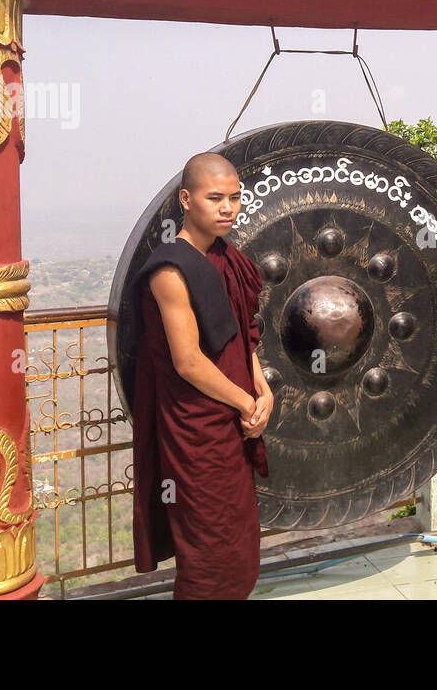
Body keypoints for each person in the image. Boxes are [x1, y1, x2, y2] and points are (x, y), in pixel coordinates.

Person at [131, 152, 274, 600]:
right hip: (198, 426)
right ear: (186, 200)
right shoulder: (171, 270)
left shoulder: (228, 258)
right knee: (210, 554)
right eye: (215, 198)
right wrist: (245, 402)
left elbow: (241, 336)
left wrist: (262, 389)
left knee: (240, 547)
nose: (228, 208)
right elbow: (188, 361)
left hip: (234, 418)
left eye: (234, 197)